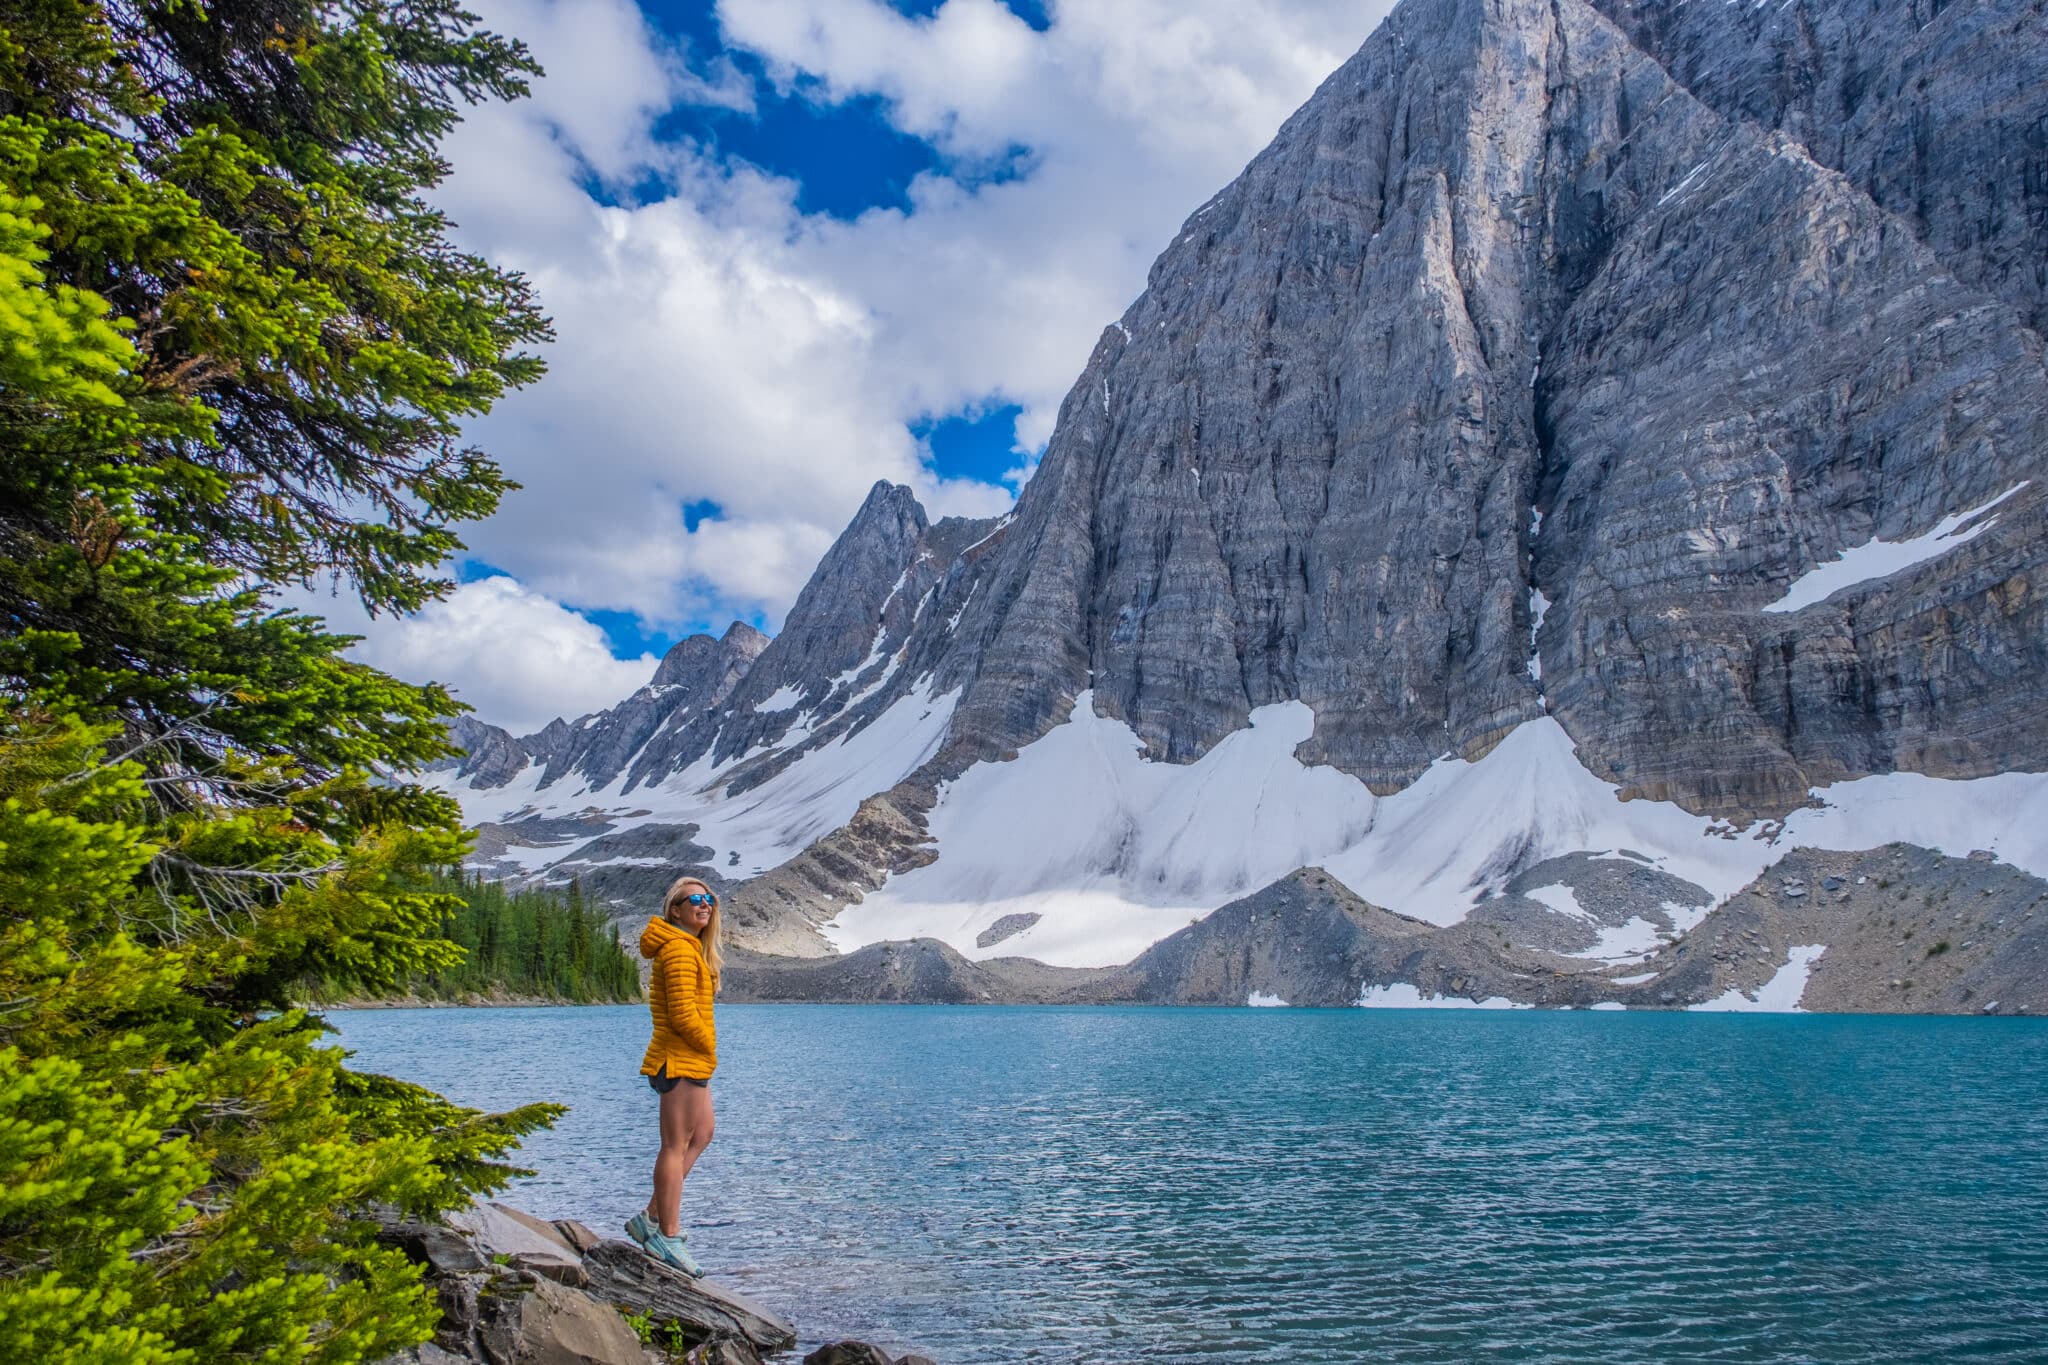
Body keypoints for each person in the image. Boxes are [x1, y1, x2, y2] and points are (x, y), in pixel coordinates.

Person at [626, 875, 722, 1275]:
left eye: (709, 899)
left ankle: (650, 1216)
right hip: (680, 1060)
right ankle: (667, 1234)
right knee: (675, 1145)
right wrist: (709, 1047)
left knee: (702, 1135)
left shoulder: (690, 949)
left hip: (690, 1061)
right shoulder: (680, 951)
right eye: (694, 899)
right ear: (676, 910)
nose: (704, 904)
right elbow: (683, 1016)